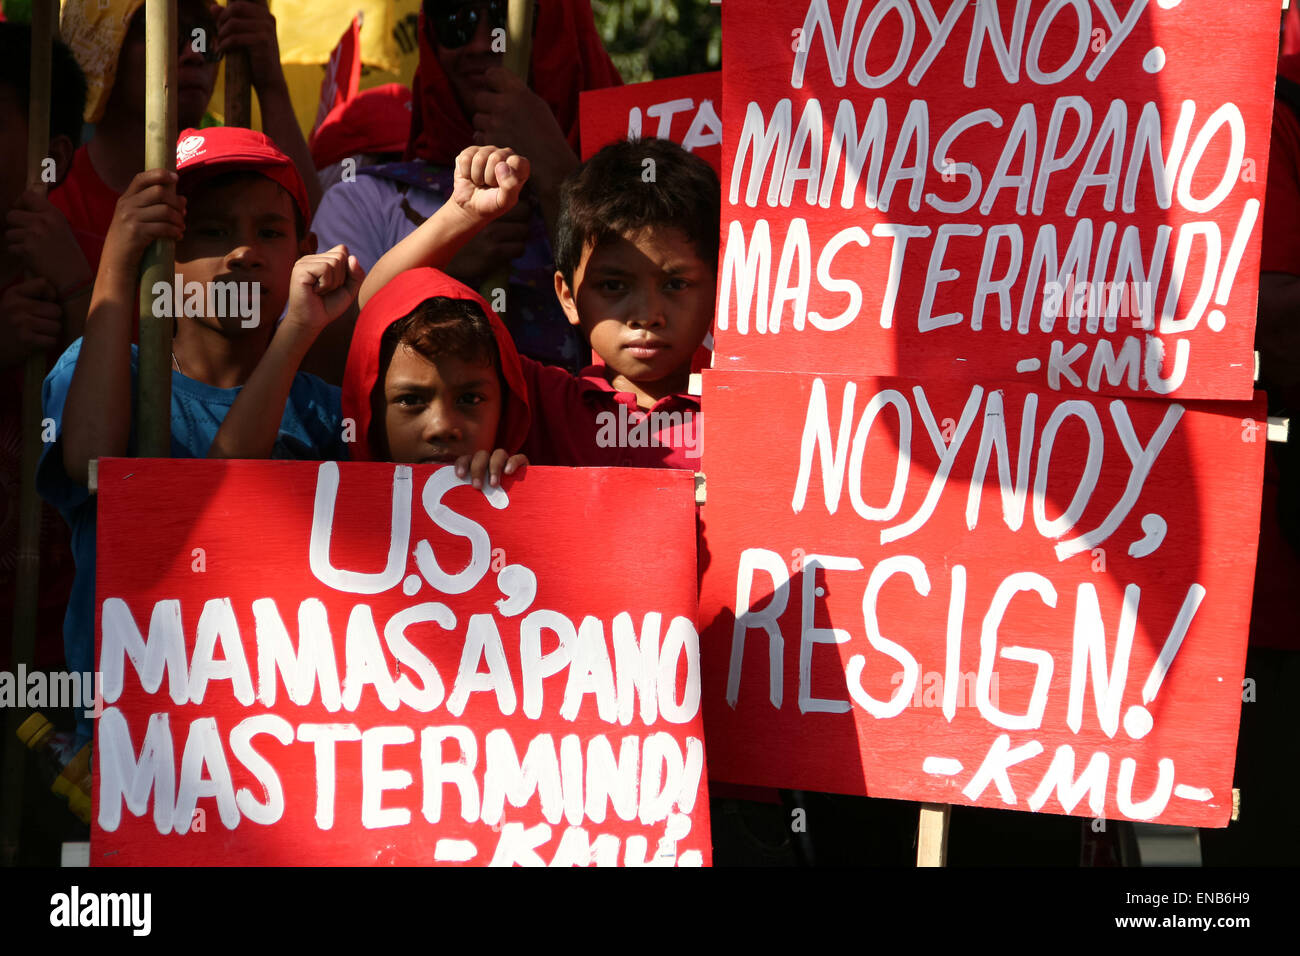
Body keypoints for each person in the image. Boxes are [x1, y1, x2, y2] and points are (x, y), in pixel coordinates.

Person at [38, 126, 356, 744]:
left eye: (269, 233)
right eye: (211, 231)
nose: (244, 253)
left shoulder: (324, 415)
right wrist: (116, 261)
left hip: (280, 749)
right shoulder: (108, 373)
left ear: (305, 251)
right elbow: (91, 461)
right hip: (128, 758)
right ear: (162, 256)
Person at [358, 138, 717, 469]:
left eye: (675, 284)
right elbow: (379, 307)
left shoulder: (746, 417)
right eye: (613, 285)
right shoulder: (538, 400)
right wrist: (463, 214)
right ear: (568, 297)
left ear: (719, 288)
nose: (646, 315)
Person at [311, 0, 622, 373]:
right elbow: (320, 370)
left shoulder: (637, 186)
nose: (479, 44)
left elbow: (655, 322)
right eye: (457, 18)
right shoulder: (365, 201)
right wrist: (445, 259)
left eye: (503, 20)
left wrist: (559, 177)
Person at [52, 0, 321, 273]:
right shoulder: (47, 210)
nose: (195, 53)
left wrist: (270, 83)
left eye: (204, 35)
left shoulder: (230, 191)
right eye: (165, 33)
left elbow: (314, 232)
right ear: (101, 46)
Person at [0, 21, 88, 673]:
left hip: (61, 650)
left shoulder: (98, 268)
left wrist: (82, 289)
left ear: (52, 156)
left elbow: (127, 439)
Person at [331, 267, 529, 487]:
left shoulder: (518, 493)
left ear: (504, 411)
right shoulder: (325, 504)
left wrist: (519, 494)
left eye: (470, 399)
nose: (442, 427)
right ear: (369, 412)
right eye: (411, 400)